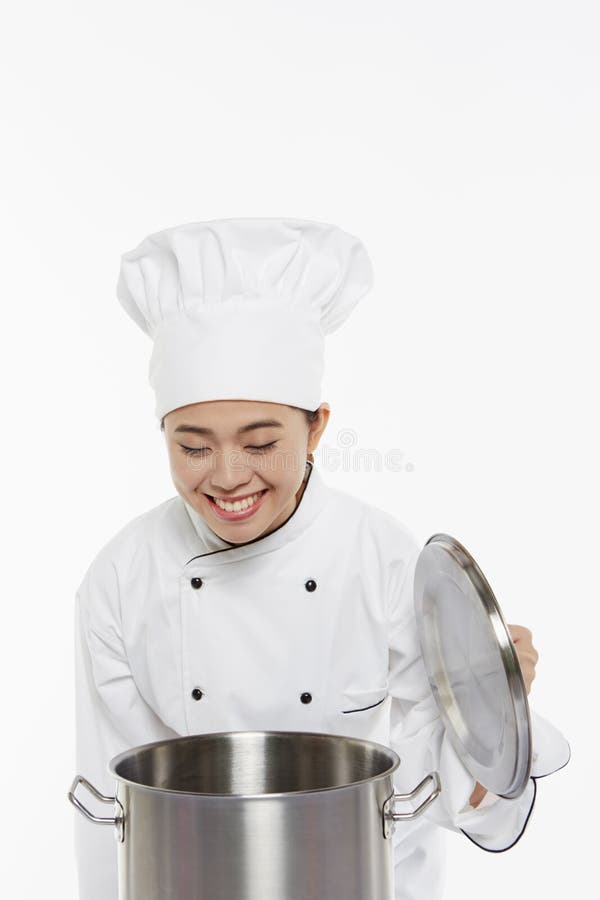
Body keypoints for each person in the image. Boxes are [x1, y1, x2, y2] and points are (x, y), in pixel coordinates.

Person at [73, 217, 570, 900]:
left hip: (368, 881)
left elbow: (451, 785)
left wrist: (492, 698)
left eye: (260, 444)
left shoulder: (379, 558)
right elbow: (114, 811)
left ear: (316, 428)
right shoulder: (121, 578)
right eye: (192, 447)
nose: (227, 477)